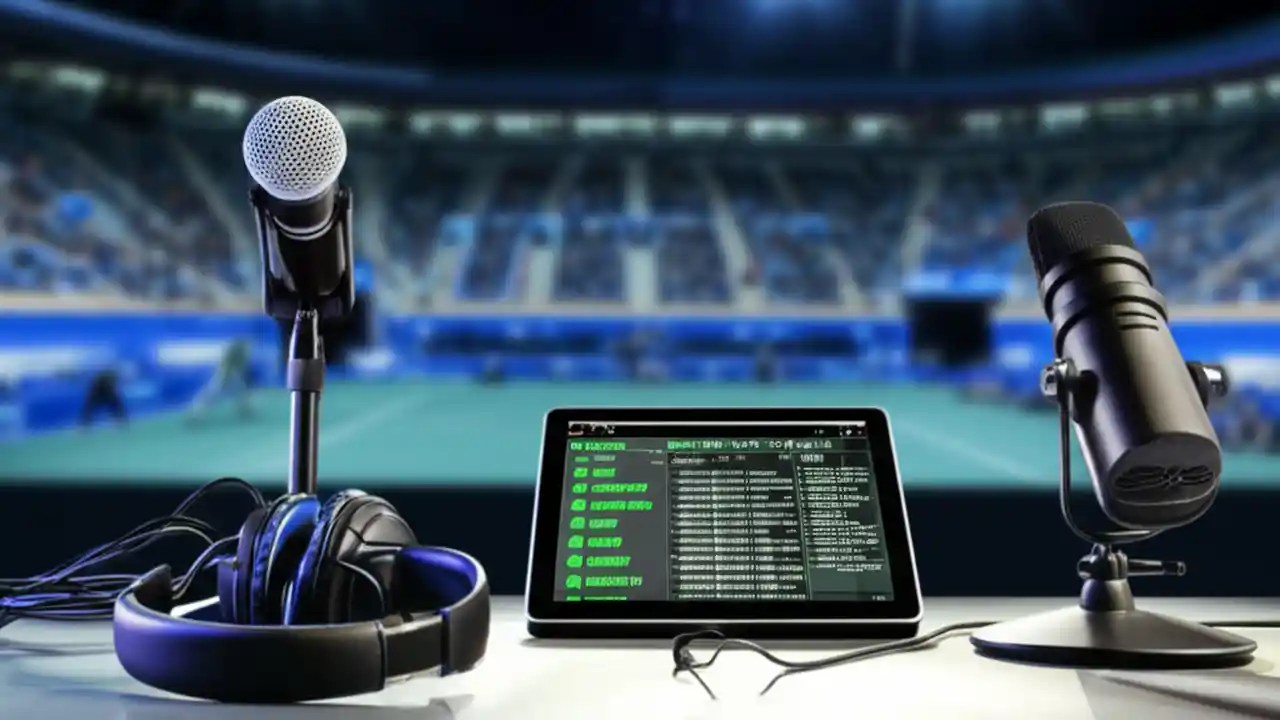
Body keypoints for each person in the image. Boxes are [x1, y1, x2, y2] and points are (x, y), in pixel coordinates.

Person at [187, 339, 255, 424]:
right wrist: (225, 379)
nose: (249, 352)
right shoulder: (229, 357)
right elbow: (224, 371)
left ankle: (245, 409)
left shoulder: (241, 359)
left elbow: (243, 373)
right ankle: (196, 415)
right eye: (247, 349)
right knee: (210, 395)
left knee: (243, 393)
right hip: (224, 378)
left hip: (232, 378)